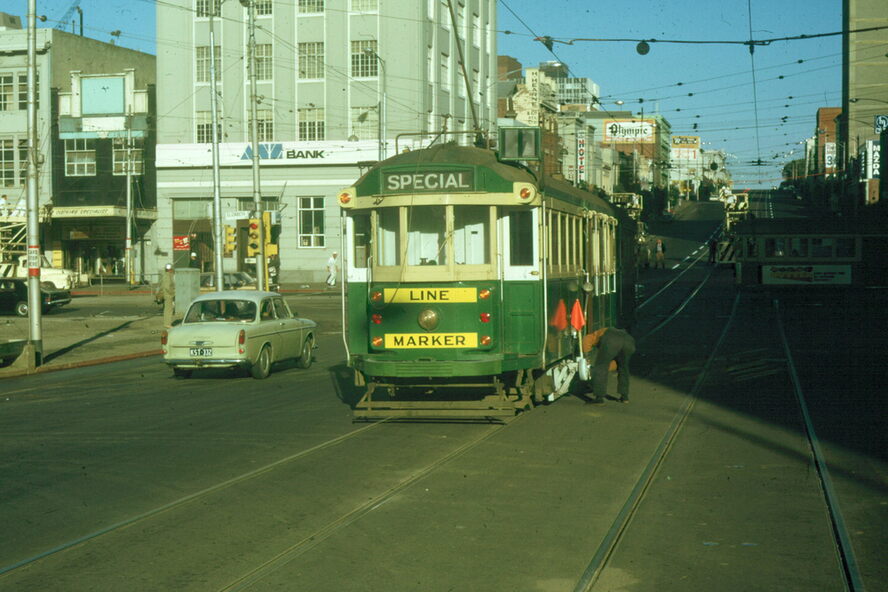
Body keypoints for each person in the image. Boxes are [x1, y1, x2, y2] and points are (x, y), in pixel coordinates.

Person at [581, 327, 636, 404]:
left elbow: (586, 339)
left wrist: (586, 356)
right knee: (623, 368)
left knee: (601, 367)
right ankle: (624, 397)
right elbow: (614, 364)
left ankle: (599, 398)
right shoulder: (618, 332)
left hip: (612, 340)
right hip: (629, 341)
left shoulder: (598, 334)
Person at [160, 264, 176, 328]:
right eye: (172, 269)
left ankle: (167, 323)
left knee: (167, 309)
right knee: (168, 310)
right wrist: (172, 293)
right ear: (170, 269)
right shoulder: (167, 276)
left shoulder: (167, 275)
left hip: (167, 294)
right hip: (168, 295)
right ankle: (167, 324)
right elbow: (167, 287)